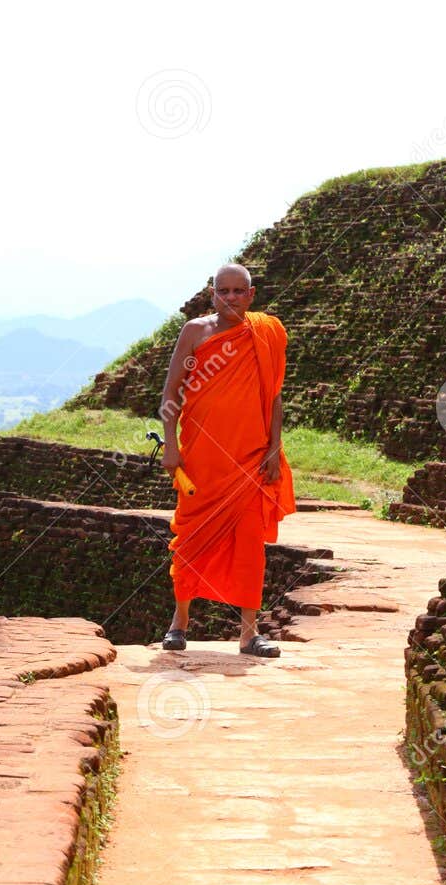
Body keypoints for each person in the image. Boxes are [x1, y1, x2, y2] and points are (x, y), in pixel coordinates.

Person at [158, 263, 295, 657]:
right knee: (191, 538)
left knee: (250, 545)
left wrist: (274, 448)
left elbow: (274, 396)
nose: (231, 298)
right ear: (212, 294)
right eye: (224, 291)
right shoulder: (195, 331)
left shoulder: (266, 332)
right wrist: (170, 445)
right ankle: (179, 623)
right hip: (201, 458)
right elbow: (172, 392)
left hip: (250, 459)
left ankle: (249, 634)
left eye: (239, 291)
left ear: (251, 295)